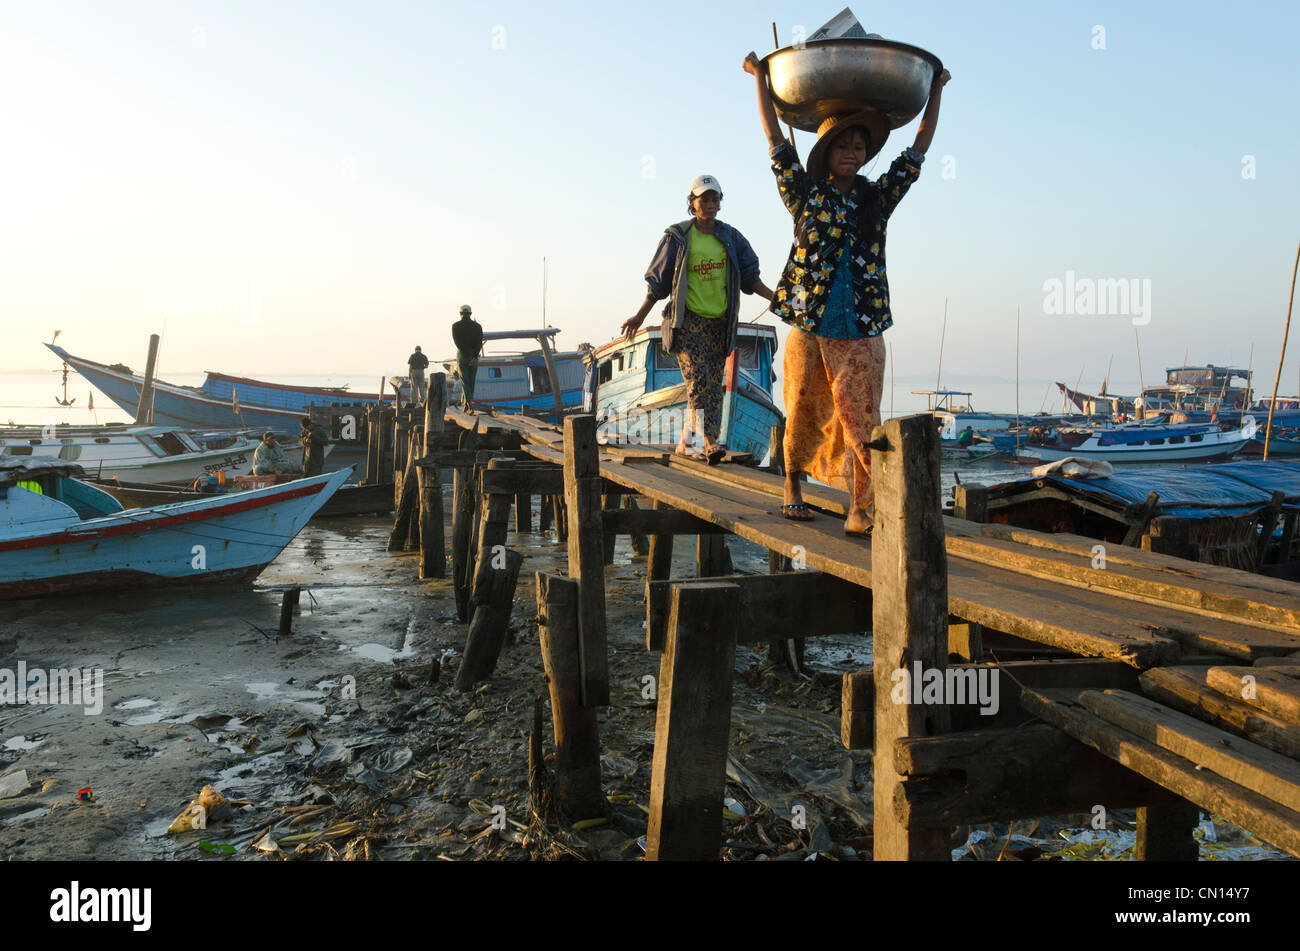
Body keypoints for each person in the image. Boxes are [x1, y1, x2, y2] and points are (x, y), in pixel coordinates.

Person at [744, 51, 950, 533]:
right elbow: (775, 140)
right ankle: (792, 486)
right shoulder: (804, 195)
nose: (853, 152)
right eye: (843, 145)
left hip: (860, 323)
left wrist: (935, 88)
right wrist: (759, 80)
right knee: (802, 407)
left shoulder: (876, 199)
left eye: (860, 145)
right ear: (826, 152)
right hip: (808, 322)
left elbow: (918, 148)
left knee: (861, 418)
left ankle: (861, 506)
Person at [621, 175, 773, 464]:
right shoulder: (678, 237)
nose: (711, 204)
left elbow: (751, 278)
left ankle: (685, 443)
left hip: (720, 323)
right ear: (692, 203)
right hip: (687, 321)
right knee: (697, 380)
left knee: (713, 383)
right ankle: (709, 440)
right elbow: (659, 284)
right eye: (704, 199)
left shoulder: (731, 237)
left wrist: (775, 298)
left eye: (715, 199)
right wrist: (639, 316)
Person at [453, 305, 484, 409]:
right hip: (474, 356)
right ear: (470, 314)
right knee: (471, 381)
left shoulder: (455, 326)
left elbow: (458, 343)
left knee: (464, 380)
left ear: (460, 313)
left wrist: (467, 355)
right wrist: (474, 356)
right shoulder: (477, 326)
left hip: (462, 356)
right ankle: (467, 402)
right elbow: (479, 343)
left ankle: (467, 403)